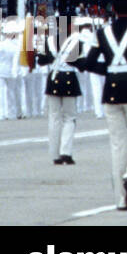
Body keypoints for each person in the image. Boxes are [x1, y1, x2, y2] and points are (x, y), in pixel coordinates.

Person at [81, 0, 127, 212]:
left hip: (111, 90)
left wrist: (111, 71)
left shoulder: (101, 32)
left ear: (113, 9)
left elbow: (90, 63)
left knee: (118, 145)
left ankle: (121, 198)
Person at [42, 16, 87, 165]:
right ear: (68, 26)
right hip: (68, 79)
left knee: (54, 117)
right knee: (69, 117)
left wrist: (53, 58)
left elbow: (41, 60)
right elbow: (80, 63)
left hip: (53, 79)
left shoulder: (48, 41)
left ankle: (54, 154)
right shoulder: (77, 42)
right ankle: (65, 152)